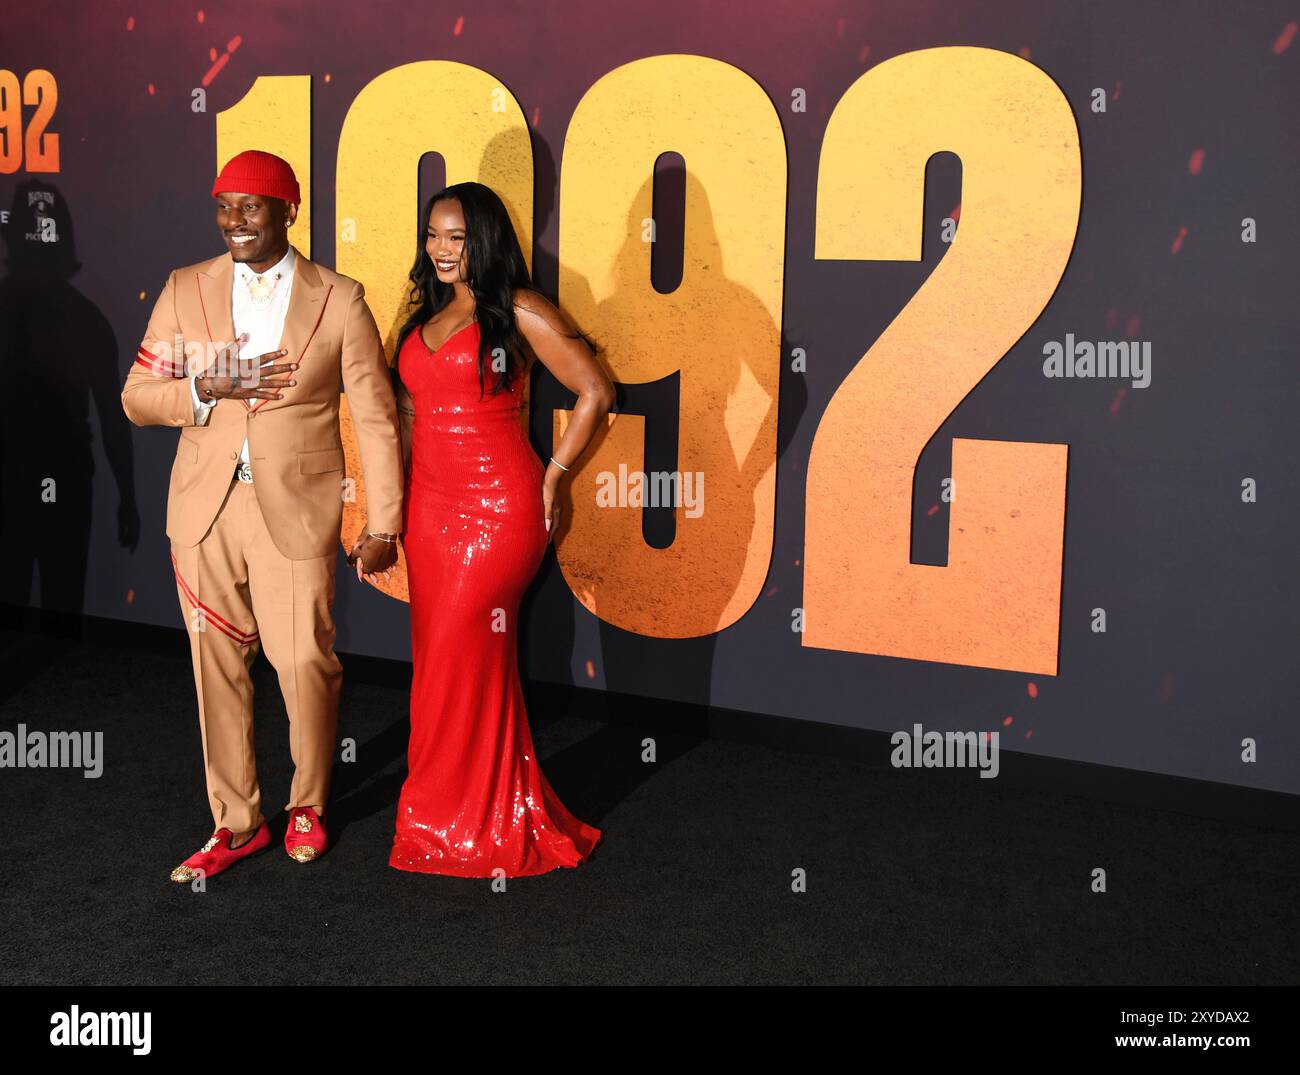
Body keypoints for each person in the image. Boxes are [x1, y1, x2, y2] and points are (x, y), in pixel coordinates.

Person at [121, 150, 404, 882]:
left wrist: (384, 521)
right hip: (204, 509)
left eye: (251, 206)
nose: (234, 221)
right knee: (215, 667)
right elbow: (137, 397)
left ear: (290, 210)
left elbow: (374, 418)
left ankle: (307, 802)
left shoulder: (340, 299)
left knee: (305, 660)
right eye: (224, 206)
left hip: (298, 510)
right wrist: (205, 387)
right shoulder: (186, 289)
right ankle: (237, 821)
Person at [389, 182, 614, 877]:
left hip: (497, 509)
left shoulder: (518, 309)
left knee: (463, 655)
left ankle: (471, 822)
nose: (442, 249)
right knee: (440, 663)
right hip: (428, 510)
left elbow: (596, 391)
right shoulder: (423, 312)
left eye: (456, 236)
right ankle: (444, 813)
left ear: (484, 239)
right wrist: (391, 506)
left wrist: (556, 474)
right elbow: (405, 416)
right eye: (433, 234)